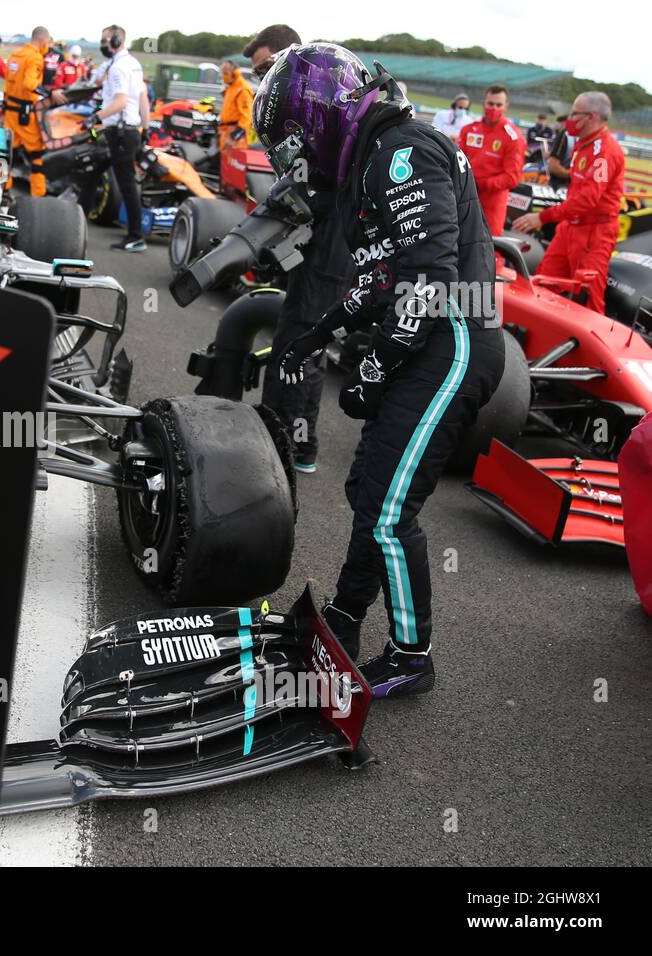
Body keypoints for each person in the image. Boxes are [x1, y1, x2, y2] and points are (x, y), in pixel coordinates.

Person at [261, 43, 504, 696]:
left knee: (392, 511)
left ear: (322, 111)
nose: (300, 151)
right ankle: (346, 611)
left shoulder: (403, 149)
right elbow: (374, 282)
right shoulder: (377, 158)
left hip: (451, 341)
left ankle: (411, 657)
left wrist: (377, 363)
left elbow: (430, 271)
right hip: (431, 340)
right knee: (368, 490)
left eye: (296, 132)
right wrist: (313, 336)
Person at [247, 24, 349, 475]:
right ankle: (301, 445)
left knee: (298, 340)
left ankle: (279, 447)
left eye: (268, 67)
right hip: (329, 233)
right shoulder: (314, 99)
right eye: (258, 72)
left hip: (336, 238)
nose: (263, 80)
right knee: (313, 339)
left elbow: (308, 178)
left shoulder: (324, 98)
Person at [513, 92, 625, 314]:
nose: (570, 119)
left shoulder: (603, 152)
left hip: (594, 232)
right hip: (570, 226)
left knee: (587, 296)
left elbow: (588, 199)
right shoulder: (584, 144)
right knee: (544, 283)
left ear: (591, 117)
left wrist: (543, 217)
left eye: (575, 113)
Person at [82, 25, 149, 252]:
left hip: (119, 133)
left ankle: (136, 236)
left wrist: (94, 118)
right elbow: (143, 99)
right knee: (94, 173)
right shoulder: (133, 64)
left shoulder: (120, 67)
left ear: (116, 40)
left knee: (127, 186)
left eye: (104, 39)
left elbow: (120, 102)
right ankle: (79, 219)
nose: (102, 44)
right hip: (127, 132)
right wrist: (146, 127)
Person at [3, 27, 67, 198]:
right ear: (42, 40)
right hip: (24, 113)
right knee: (37, 154)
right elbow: (29, 83)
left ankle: (3, 188)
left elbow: (8, 80)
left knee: (8, 153)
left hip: (9, 112)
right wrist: (50, 93)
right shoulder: (35, 58)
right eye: (48, 42)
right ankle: (38, 195)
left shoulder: (15, 55)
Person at [457, 84, 524, 235]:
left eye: (499, 105)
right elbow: (457, 161)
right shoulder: (469, 130)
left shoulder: (513, 137)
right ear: (483, 103)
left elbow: (512, 178)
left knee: (491, 249)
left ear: (506, 106)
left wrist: (482, 184)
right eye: (490, 104)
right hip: (464, 197)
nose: (494, 108)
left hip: (492, 204)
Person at [217, 59, 252, 152]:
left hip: (235, 139)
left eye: (226, 73)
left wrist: (234, 136)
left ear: (234, 72)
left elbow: (247, 117)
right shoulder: (231, 87)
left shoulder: (242, 89)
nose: (223, 76)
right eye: (223, 73)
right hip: (226, 133)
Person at [547, 114, 574, 187]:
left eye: (560, 123)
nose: (558, 126)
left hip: (564, 184)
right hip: (561, 184)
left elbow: (553, 166)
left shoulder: (565, 134)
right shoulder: (563, 134)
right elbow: (553, 165)